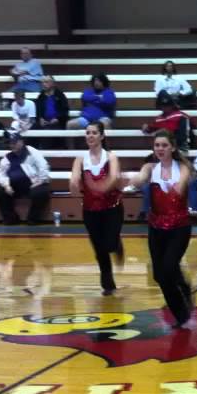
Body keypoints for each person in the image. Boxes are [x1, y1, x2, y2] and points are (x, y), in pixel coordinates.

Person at [131, 130, 196, 328]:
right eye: (157, 145)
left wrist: (175, 185)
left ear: (172, 147)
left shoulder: (183, 167)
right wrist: (134, 180)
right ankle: (182, 289)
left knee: (168, 268)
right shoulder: (150, 167)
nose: (160, 149)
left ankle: (182, 314)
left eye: (164, 145)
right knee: (159, 275)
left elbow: (180, 187)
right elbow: (140, 178)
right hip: (156, 228)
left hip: (179, 227)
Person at [70, 124, 125, 295]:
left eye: (94, 133)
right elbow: (74, 179)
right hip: (90, 210)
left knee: (109, 244)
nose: (90, 136)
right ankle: (108, 284)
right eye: (88, 133)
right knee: (99, 249)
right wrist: (74, 184)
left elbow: (114, 177)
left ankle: (117, 245)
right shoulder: (80, 159)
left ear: (102, 136)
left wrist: (100, 187)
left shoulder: (111, 157)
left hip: (112, 208)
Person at [0, 133, 51, 225]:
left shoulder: (31, 151)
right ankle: (10, 218)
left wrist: (40, 181)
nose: (12, 145)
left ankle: (32, 219)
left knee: (41, 192)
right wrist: (6, 185)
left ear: (21, 142)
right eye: (10, 143)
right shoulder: (7, 157)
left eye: (14, 143)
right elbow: (1, 174)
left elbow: (43, 166)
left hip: (34, 183)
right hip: (15, 186)